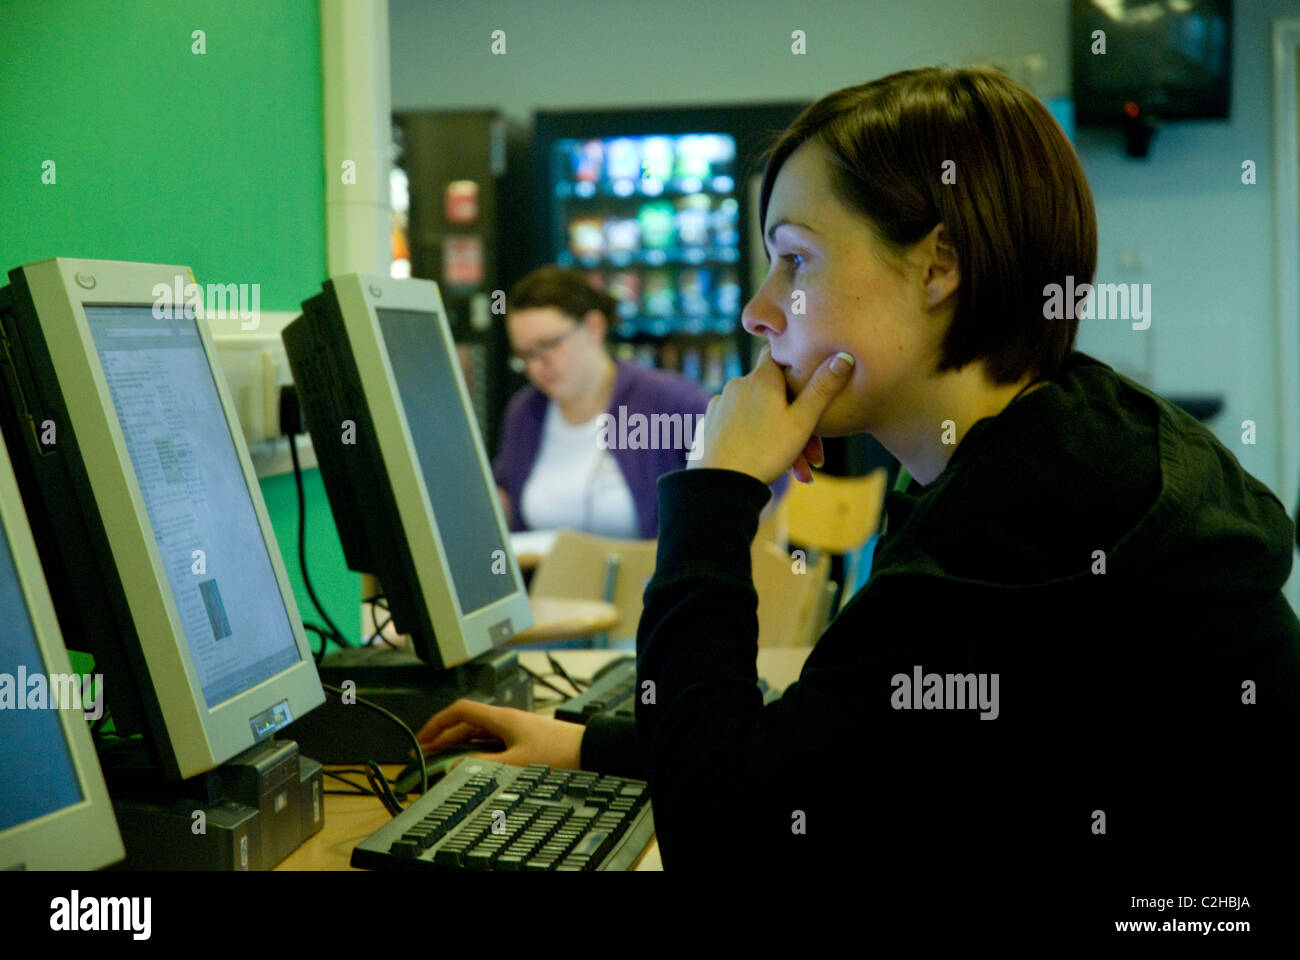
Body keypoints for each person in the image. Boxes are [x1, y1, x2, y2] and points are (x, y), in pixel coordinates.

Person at [419, 67, 1300, 887]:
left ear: (939, 266)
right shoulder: (1055, 439)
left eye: (795, 260)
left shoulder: (1024, 527)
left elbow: (730, 844)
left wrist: (715, 493)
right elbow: (832, 757)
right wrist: (584, 745)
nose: (756, 312)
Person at [492, 266, 784, 539]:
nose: (538, 366)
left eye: (549, 345)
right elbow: (504, 503)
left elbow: (763, 474)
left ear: (594, 327)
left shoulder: (663, 400)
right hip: (548, 590)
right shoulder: (526, 413)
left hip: (646, 589)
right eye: (526, 355)